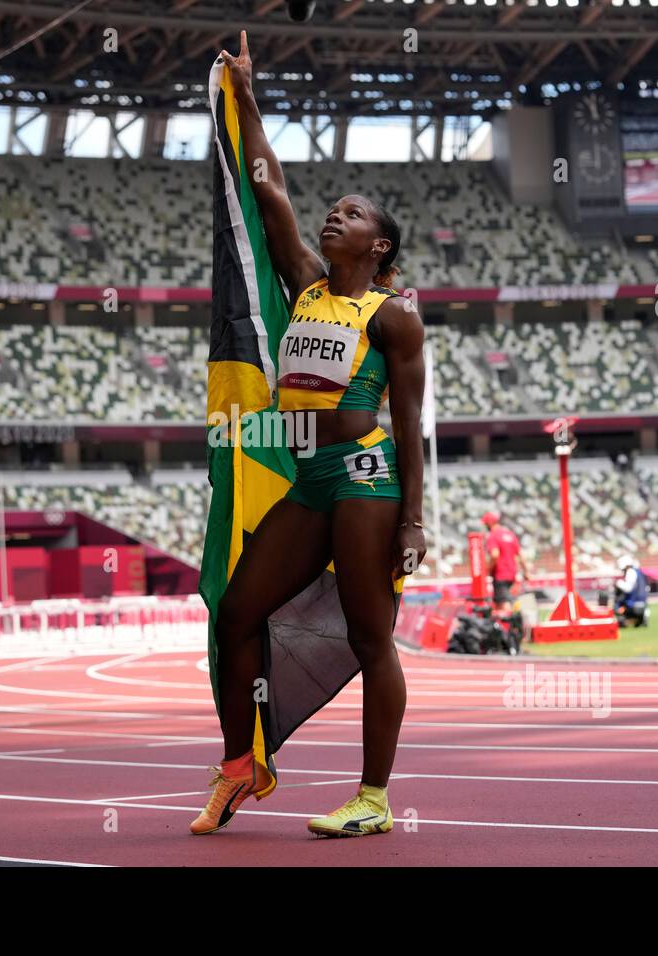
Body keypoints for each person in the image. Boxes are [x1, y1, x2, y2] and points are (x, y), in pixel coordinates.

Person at [191, 31, 427, 839]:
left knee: (371, 637)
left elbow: (409, 425)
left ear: (379, 246)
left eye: (354, 213)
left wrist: (414, 518)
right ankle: (239, 767)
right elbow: (269, 190)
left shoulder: (393, 317)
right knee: (237, 611)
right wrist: (248, 98)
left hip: (366, 481)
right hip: (309, 480)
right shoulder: (304, 286)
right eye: (336, 208)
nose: (337, 213)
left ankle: (373, 798)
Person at [482, 511, 528, 614]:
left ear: (489, 523)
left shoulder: (492, 536)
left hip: (500, 575)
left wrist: (488, 570)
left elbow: (494, 554)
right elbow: (521, 556)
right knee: (499, 604)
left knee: (504, 605)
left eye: (485, 523)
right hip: (512, 574)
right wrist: (526, 572)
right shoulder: (510, 534)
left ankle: (511, 626)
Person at [613, 555, 650, 627]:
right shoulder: (639, 572)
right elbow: (647, 588)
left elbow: (628, 588)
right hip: (643, 604)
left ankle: (627, 620)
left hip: (633, 604)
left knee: (616, 608)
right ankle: (639, 619)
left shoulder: (630, 572)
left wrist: (618, 583)